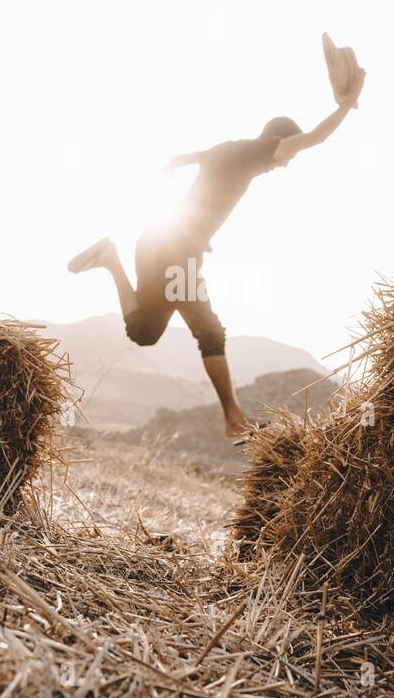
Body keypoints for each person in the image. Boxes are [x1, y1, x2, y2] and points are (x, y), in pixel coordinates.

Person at [68, 33, 365, 437]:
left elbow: (183, 157)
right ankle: (233, 419)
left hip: (155, 241)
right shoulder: (260, 151)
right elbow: (316, 137)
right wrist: (348, 103)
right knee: (209, 331)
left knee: (144, 332)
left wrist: (174, 165)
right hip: (176, 251)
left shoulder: (229, 148)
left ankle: (110, 259)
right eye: (286, 157)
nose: (284, 165)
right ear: (279, 142)